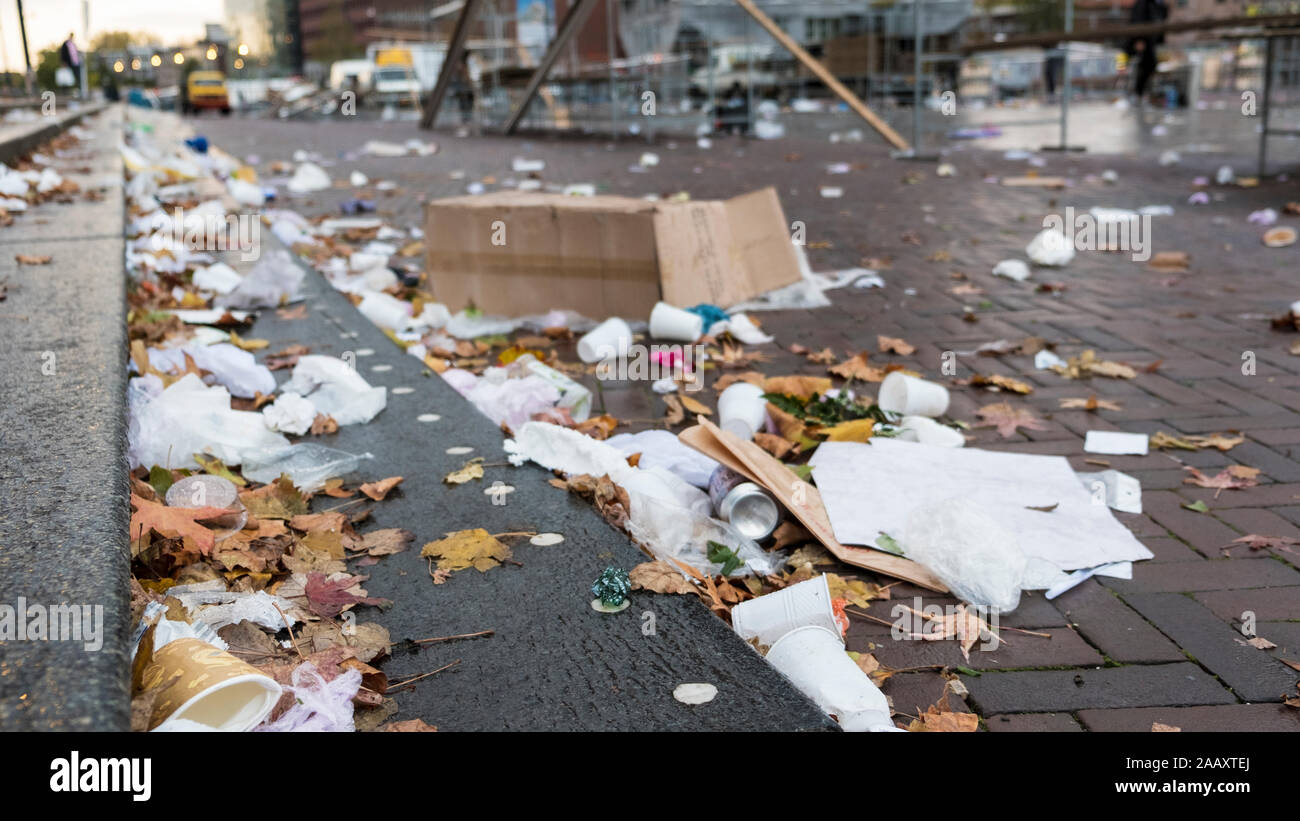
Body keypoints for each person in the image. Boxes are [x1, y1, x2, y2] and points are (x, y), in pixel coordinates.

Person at [1126, 0, 1168, 102]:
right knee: (1145, 65)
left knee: (1149, 65)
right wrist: (1139, 39)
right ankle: (1137, 93)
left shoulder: (1158, 4)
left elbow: (1161, 20)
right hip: (1143, 41)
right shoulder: (1143, 3)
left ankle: (1140, 93)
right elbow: (1137, 19)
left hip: (1151, 41)